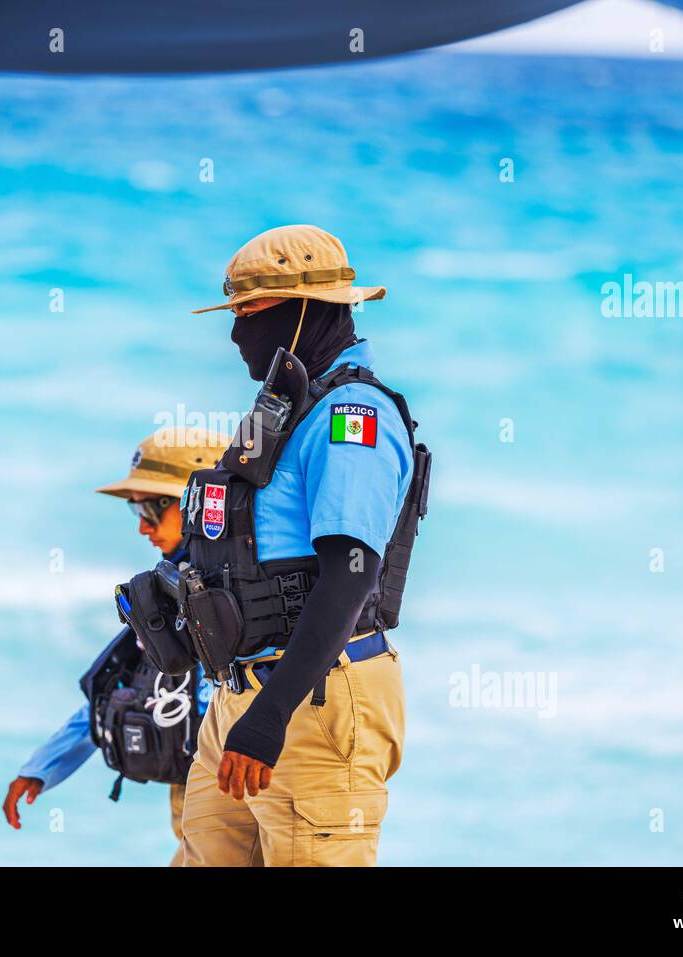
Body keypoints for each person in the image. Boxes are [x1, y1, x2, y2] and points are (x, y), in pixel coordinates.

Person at [169, 224, 431, 866]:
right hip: (242, 696)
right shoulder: (288, 411)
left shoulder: (352, 417)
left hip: (308, 700)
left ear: (303, 308)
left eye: (250, 314)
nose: (235, 334)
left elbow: (350, 576)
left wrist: (271, 716)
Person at [1, 426, 230, 865]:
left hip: (238, 780)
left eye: (151, 508)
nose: (143, 527)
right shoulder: (167, 590)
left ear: (194, 503)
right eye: (136, 511)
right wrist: (44, 767)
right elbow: (119, 684)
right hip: (197, 786)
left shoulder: (238, 594)